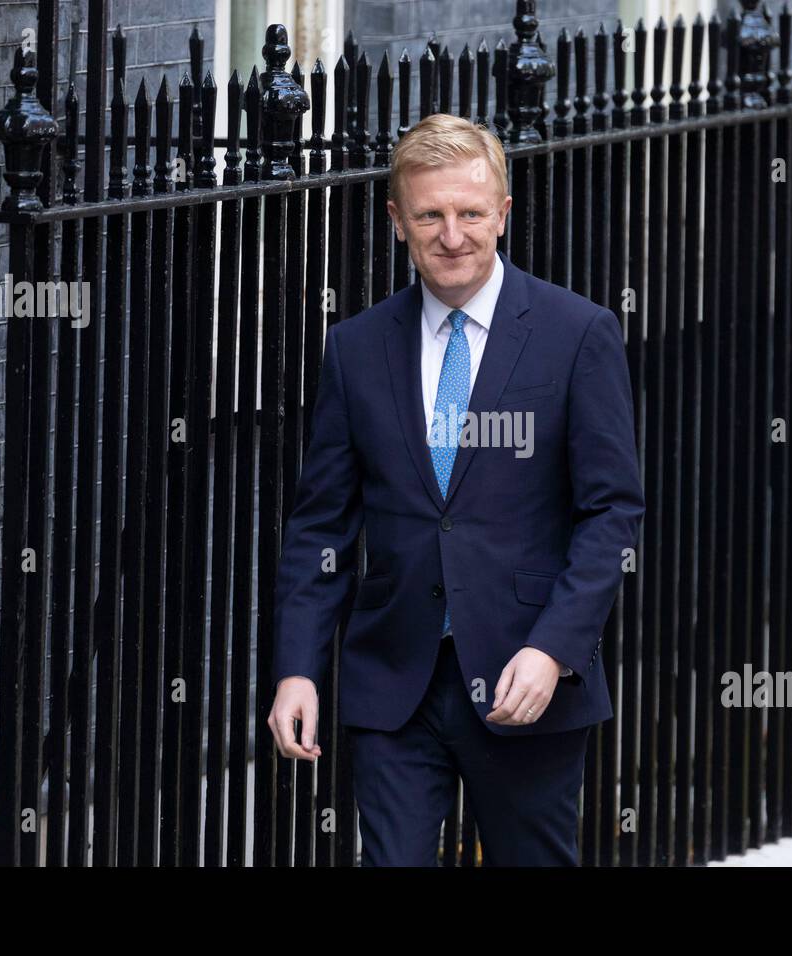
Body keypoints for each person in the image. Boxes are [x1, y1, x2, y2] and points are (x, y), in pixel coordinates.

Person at [267, 112, 644, 866]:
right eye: (430, 215)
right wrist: (298, 669)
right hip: (395, 681)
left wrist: (554, 650)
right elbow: (321, 528)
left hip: (526, 681)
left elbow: (611, 511)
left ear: (502, 213)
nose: (452, 235)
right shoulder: (356, 346)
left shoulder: (577, 333)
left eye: (471, 213)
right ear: (396, 220)